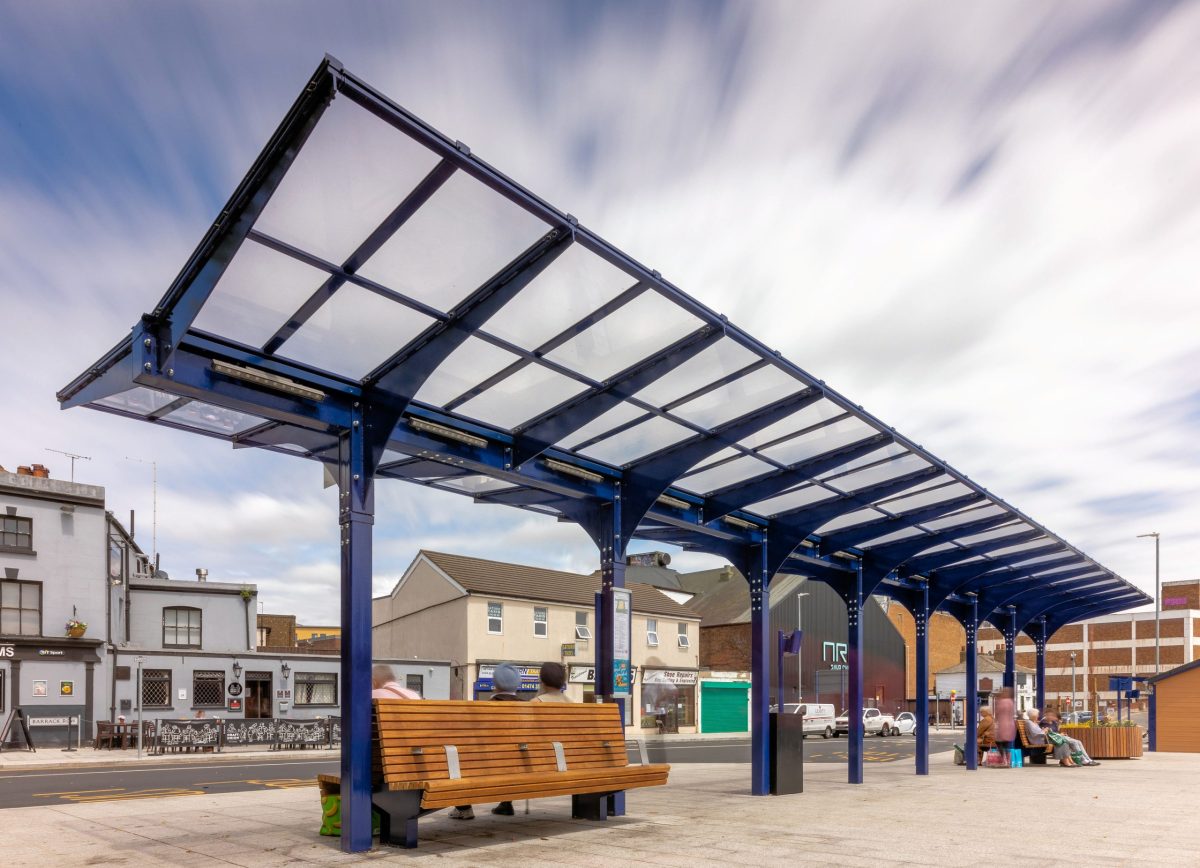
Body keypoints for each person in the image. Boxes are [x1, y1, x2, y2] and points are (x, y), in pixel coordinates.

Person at [449, 663, 523, 821]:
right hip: (520, 767)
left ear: (496, 683)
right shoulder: (527, 708)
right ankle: (506, 803)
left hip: (489, 765)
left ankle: (464, 807)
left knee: (460, 758)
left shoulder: (487, 707)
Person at [994, 688, 1016, 767]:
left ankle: (1004, 760)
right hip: (1010, 724)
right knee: (1006, 743)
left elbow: (997, 713)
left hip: (1002, 724)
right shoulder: (1011, 701)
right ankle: (1008, 760)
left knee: (999, 742)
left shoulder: (1001, 702)